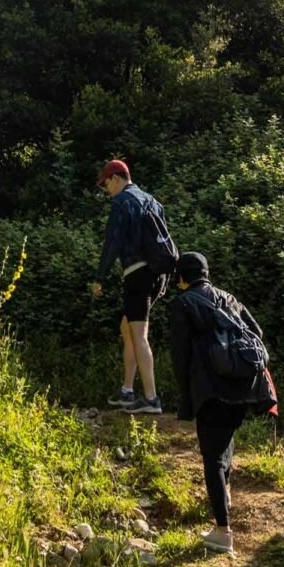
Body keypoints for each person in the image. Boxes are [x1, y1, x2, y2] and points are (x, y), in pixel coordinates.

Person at [170, 251, 277, 554]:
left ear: (182, 277)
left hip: (211, 390)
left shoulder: (184, 303)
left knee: (212, 458)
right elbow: (257, 333)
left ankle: (223, 531)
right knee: (224, 445)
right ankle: (224, 500)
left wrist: (186, 394)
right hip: (244, 388)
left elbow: (180, 354)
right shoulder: (229, 298)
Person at [92, 159, 171, 415]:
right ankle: (127, 391)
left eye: (106, 184)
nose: (107, 190)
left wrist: (100, 277)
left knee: (138, 334)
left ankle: (151, 399)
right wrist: (163, 280)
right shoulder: (153, 201)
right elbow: (164, 242)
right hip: (157, 274)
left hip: (137, 273)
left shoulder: (122, 202)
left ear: (116, 178)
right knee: (127, 328)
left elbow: (112, 242)